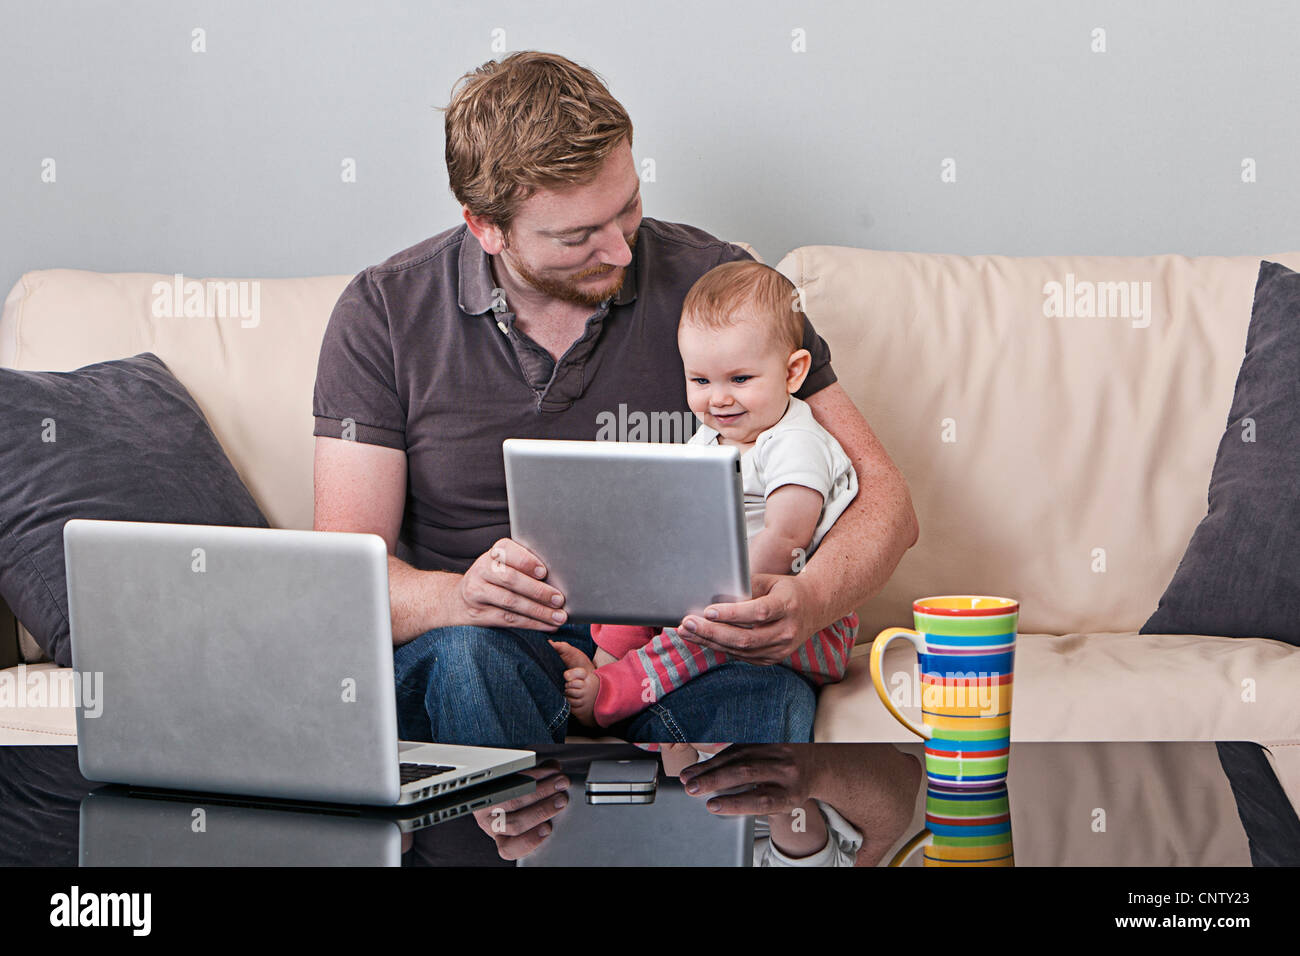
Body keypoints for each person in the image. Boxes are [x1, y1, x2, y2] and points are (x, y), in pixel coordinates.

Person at [311, 51, 918, 745]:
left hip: (680, 642)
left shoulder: (720, 288)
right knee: (467, 661)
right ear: (486, 226)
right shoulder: (385, 312)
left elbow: (887, 503)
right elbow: (347, 575)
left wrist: (808, 602)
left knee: (763, 693)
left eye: (627, 207)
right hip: (484, 641)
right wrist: (459, 596)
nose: (622, 252)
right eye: (578, 236)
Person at [550, 260, 859, 729]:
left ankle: (615, 694)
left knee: (697, 631)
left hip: (798, 620)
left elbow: (787, 536)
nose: (718, 399)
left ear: (794, 372)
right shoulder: (708, 440)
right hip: (717, 587)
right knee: (638, 577)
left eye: (740, 380)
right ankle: (605, 665)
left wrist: (703, 591)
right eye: (700, 381)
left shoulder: (796, 441)